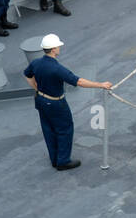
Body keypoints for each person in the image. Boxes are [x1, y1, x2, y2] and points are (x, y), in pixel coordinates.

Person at [22, 33, 113, 170]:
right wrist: (101, 85)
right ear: (53, 49)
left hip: (41, 100)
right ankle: (63, 161)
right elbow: (79, 81)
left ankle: (55, 159)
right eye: (58, 46)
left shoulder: (36, 63)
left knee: (48, 129)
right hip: (56, 103)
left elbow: (28, 75)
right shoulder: (57, 69)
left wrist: (37, 88)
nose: (59, 48)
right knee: (64, 129)